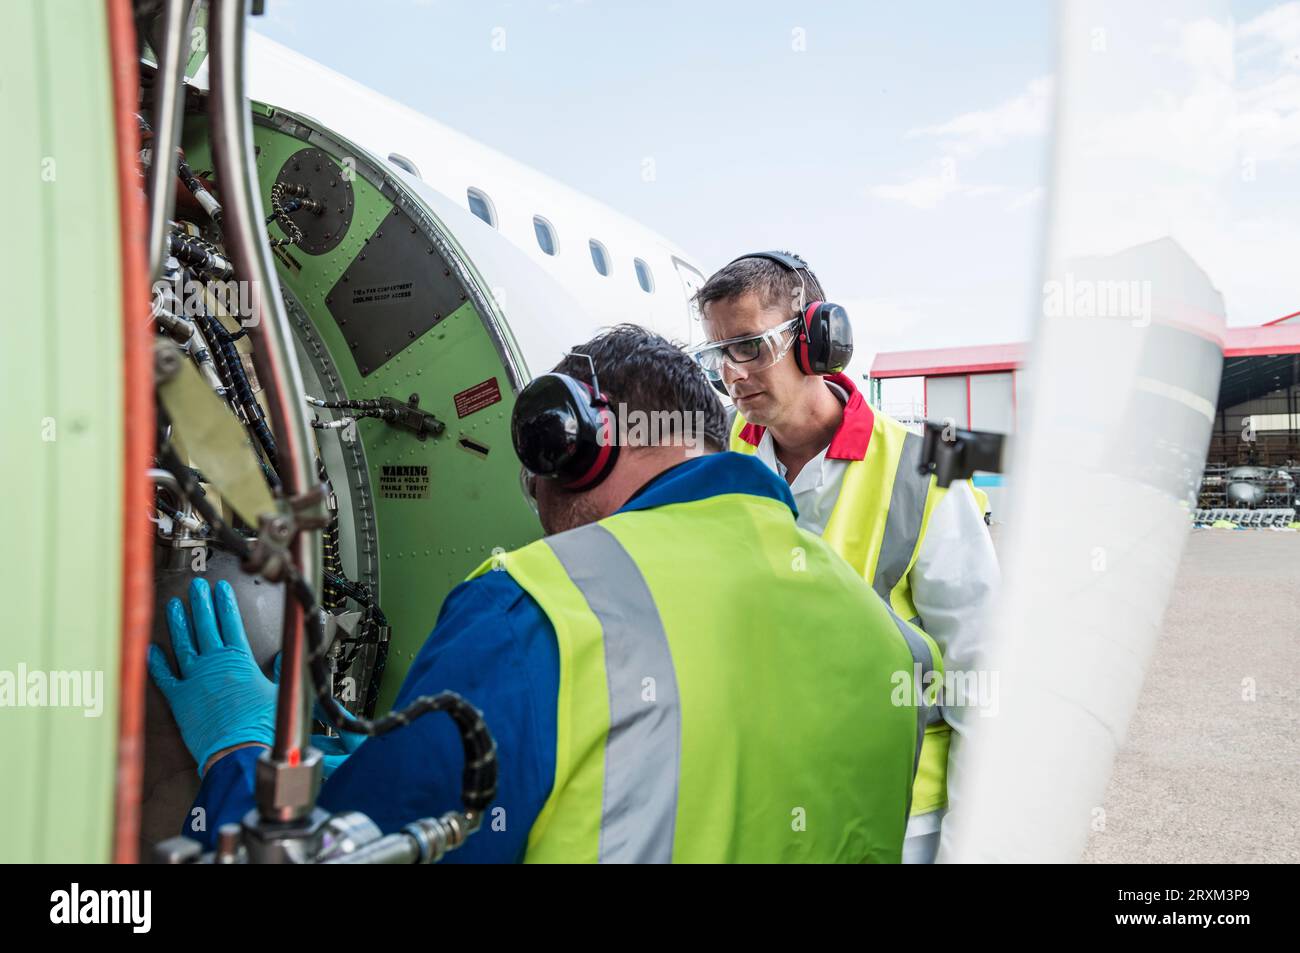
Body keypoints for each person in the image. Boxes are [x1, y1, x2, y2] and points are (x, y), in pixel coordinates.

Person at [150, 324, 937, 863]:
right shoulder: (883, 636)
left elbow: (346, 850)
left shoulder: (543, 606)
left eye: (538, 480)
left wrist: (236, 753)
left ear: (574, 437)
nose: (543, 510)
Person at [688, 253, 999, 863]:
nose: (731, 373)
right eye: (718, 353)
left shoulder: (923, 470)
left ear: (817, 342)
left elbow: (980, 677)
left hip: (900, 816)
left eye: (749, 346)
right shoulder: (716, 458)